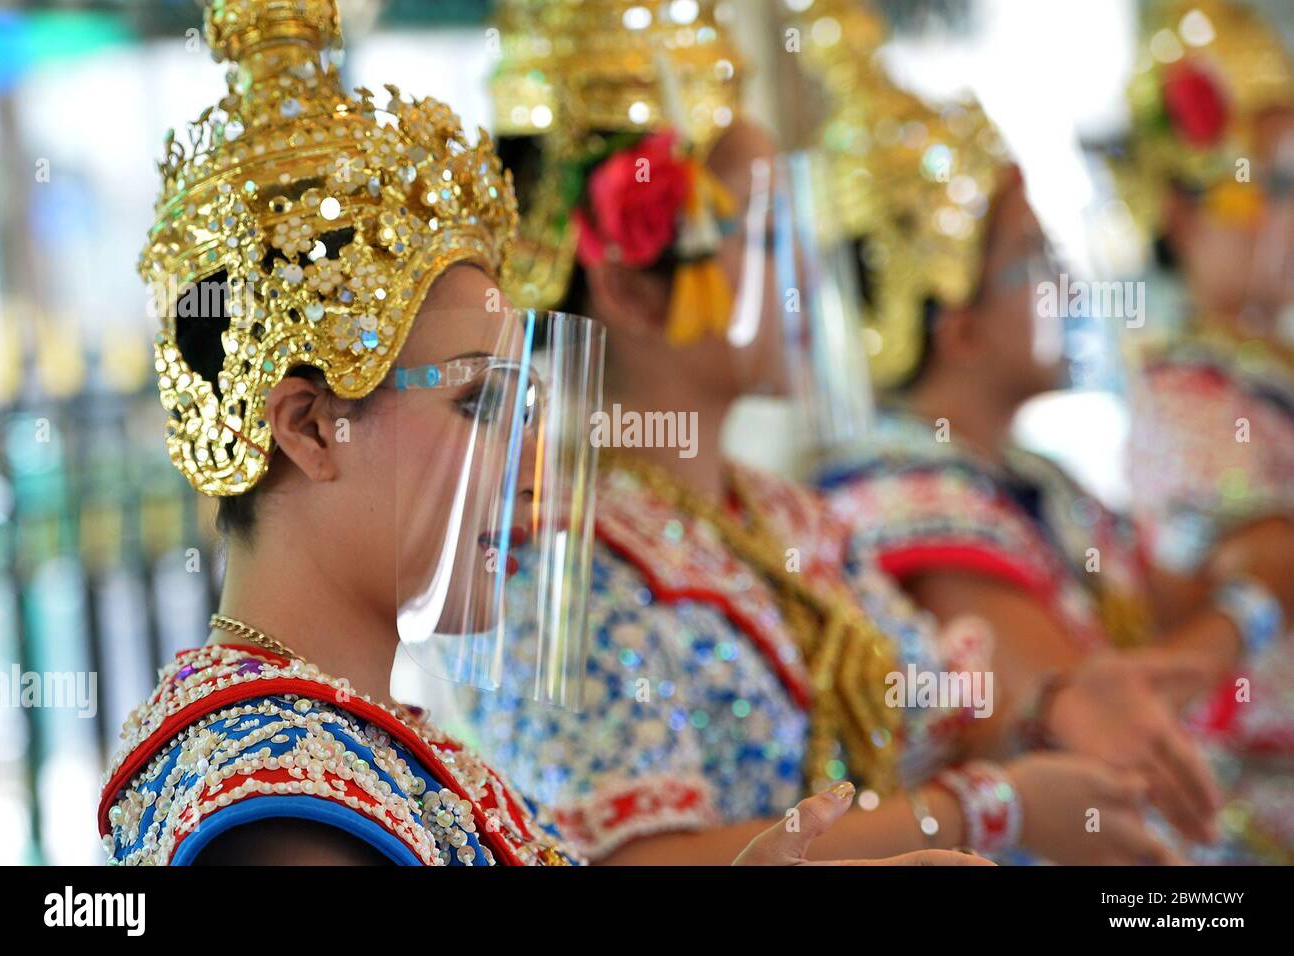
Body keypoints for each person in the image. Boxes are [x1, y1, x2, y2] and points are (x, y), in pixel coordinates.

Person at [97, 0, 978, 869]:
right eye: (479, 405)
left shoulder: (370, 744)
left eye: (528, 411)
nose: (536, 476)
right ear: (312, 428)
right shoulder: (277, 803)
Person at [464, 0, 1185, 866]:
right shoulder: (558, 560)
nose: (805, 274)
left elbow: (935, 704)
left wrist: (1054, 706)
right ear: (636, 288)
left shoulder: (780, 517)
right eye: (766, 238)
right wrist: (988, 809)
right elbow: (638, 863)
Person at [796, 0, 1290, 860]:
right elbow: (1100, 721)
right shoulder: (911, 504)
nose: (1066, 284)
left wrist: (1238, 605)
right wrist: (1244, 609)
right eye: (1035, 259)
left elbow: (1183, 610)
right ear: (959, 327)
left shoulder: (1036, 484)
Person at [1121, 0, 1294, 862]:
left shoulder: (1269, 372)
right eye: (1269, 184)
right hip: (1249, 812)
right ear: (1181, 212)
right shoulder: (1187, 394)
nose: (1284, 218)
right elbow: (1263, 565)